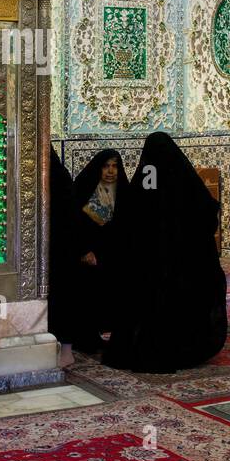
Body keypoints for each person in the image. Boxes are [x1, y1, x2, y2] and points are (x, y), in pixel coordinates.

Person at [104, 132, 227, 373]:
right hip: (181, 263)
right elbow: (206, 211)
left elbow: (128, 223)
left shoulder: (143, 182)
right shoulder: (184, 179)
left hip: (148, 265)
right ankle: (183, 345)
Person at [68, 149, 132, 354]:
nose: (110, 171)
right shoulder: (85, 190)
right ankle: (87, 338)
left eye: (114, 166)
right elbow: (74, 225)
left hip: (114, 254)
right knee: (89, 297)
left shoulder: (124, 192)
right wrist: (84, 250)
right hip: (90, 255)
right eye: (106, 166)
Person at [44, 148, 81, 367]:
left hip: (62, 249)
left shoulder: (57, 178)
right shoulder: (60, 176)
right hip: (58, 248)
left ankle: (65, 350)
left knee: (63, 297)